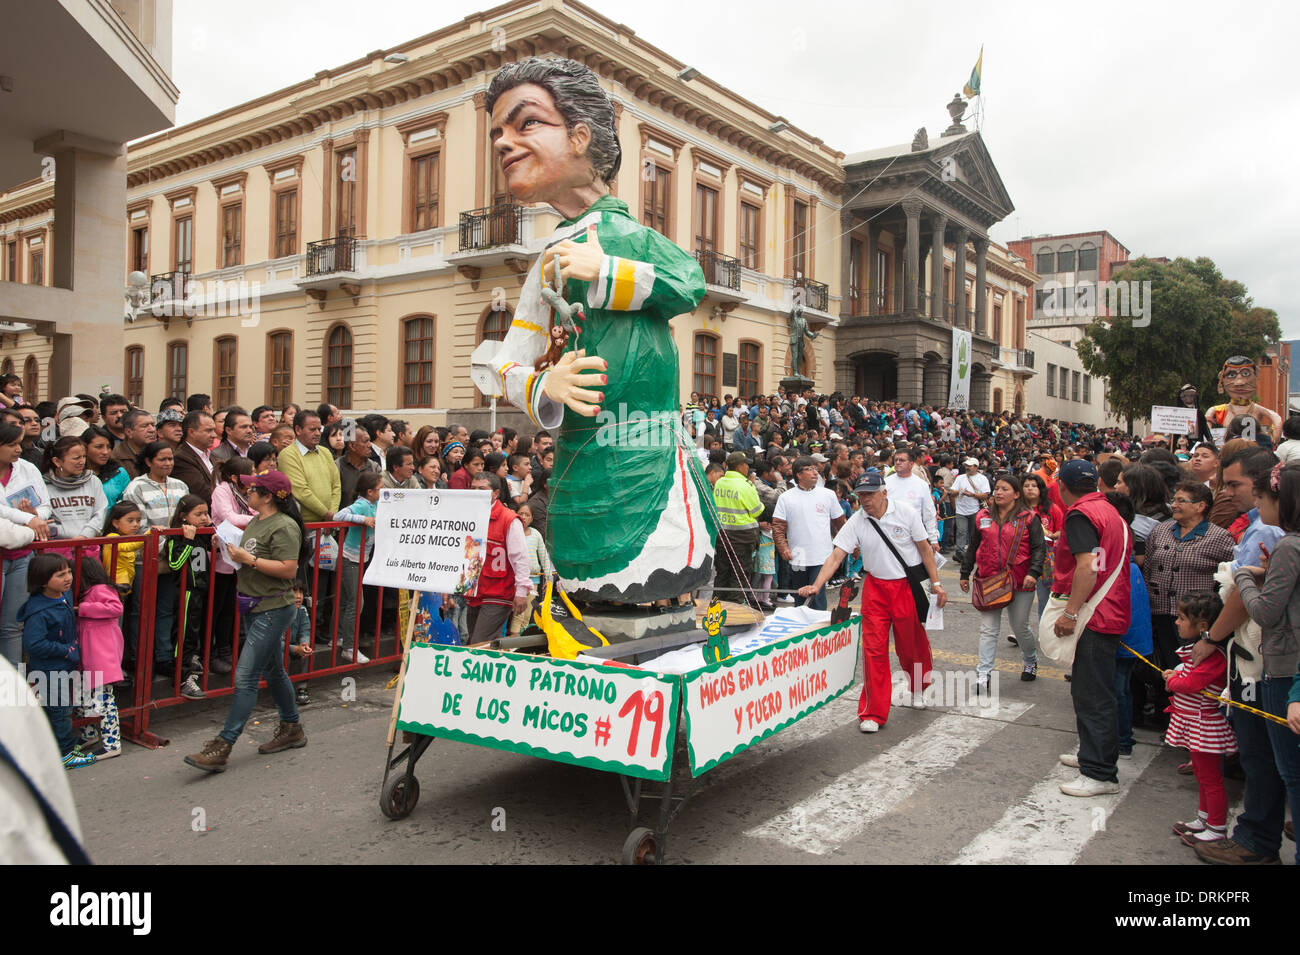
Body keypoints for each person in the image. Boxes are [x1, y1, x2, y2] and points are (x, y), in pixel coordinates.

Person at [473, 57, 714, 605]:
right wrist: (543, 387)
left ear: (580, 136)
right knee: (596, 613)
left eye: (524, 123)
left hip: (650, 466)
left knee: (660, 611)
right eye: (497, 133)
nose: (503, 144)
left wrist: (606, 271)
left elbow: (687, 282)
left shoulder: (629, 235)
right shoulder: (547, 259)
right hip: (583, 473)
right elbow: (500, 361)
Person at [1195, 462, 1300, 865]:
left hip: (1276, 664)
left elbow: (1267, 611)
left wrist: (1242, 579)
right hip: (1275, 663)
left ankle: (1257, 840)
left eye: (1261, 495)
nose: (1254, 501)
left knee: (1273, 760)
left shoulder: (1286, 543)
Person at [798, 469, 946, 731]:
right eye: (861, 495)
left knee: (911, 645)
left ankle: (919, 687)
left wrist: (936, 584)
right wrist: (816, 585)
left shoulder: (906, 513)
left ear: (884, 493)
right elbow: (836, 556)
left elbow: (925, 550)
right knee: (873, 650)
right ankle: (873, 713)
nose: (865, 500)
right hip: (875, 589)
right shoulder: (857, 521)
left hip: (906, 588)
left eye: (870, 494)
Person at [185, 470, 311, 773]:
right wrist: (230, 548)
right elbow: (249, 554)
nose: (247, 490)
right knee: (274, 670)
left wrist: (248, 558)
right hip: (253, 605)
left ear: (267, 496)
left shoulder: (284, 526)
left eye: (253, 488)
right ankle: (292, 728)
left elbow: (288, 569)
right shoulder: (256, 520)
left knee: (245, 676)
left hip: (273, 608)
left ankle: (223, 744)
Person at [1050, 459, 1133, 797]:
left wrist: (1069, 613)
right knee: (1093, 690)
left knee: (1093, 694)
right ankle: (1091, 754)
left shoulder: (1081, 514)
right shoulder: (1107, 509)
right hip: (1109, 609)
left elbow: (1088, 567)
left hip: (1096, 614)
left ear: (1062, 487)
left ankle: (1099, 773)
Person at [1139, 481, 1235, 726]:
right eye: (1175, 499)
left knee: (1195, 669)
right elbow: (1149, 566)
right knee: (1170, 665)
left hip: (1197, 619)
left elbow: (1227, 579)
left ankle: (1198, 724)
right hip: (1161, 610)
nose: (1175, 504)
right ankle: (1173, 719)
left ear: (1201, 506)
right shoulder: (1161, 530)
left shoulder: (1219, 537)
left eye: (1182, 500)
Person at [1163, 591, 1236, 846]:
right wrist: (1176, 675)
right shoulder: (1199, 651)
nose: (1177, 622)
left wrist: (1173, 680)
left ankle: (1216, 827)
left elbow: (1193, 683)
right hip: (1194, 723)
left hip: (1204, 724)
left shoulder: (1213, 656)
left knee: (1211, 779)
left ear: (1202, 626)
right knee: (1204, 778)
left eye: (1182, 618)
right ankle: (1204, 818)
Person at [959, 473, 1045, 687]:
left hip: (1020, 581)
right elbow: (974, 546)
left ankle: (1030, 659)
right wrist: (965, 573)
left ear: (1016, 494)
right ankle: (983, 673)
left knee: (1019, 626)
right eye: (996, 488)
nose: (998, 492)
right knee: (988, 629)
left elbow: (1038, 549)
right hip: (990, 580)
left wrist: (1033, 573)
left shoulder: (1028, 518)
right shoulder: (982, 516)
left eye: (1004, 489)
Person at [18, 553, 94, 768]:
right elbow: (33, 644)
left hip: (62, 666)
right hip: (49, 670)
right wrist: (66, 649)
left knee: (56, 710)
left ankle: (52, 750)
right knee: (59, 713)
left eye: (68, 572)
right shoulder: (39, 612)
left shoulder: (63, 596)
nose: (68, 577)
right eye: (60, 575)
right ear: (43, 581)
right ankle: (65, 754)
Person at [0, 422, 53, 665]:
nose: (18, 449)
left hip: (21, 555)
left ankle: (12, 690)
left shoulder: (27, 468)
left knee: (13, 626)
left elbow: (44, 506)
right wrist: (28, 519)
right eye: (11, 445)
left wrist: (35, 516)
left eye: (19, 444)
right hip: (7, 546)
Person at [464, 472, 532, 644]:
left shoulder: (509, 520)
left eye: (482, 489)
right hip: (474, 590)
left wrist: (521, 592)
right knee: (482, 641)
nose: (476, 492)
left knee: (478, 643)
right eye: (473, 488)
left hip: (498, 592)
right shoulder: (467, 515)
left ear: (495, 493)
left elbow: (521, 558)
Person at [772, 455, 844, 610]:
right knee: (801, 597)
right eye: (809, 469)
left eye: (816, 469)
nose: (815, 473)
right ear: (798, 474)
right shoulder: (786, 497)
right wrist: (783, 547)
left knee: (816, 596)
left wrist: (850, 547)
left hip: (822, 556)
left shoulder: (828, 495)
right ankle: (804, 628)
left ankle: (820, 630)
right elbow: (778, 526)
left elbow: (840, 522)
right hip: (798, 556)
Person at [162, 495, 214, 699]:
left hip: (201, 590)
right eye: (198, 514)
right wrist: (189, 541)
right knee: (183, 635)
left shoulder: (202, 533)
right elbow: (175, 564)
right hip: (186, 591)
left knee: (194, 632)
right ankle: (182, 677)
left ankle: (190, 664)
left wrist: (213, 533)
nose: (204, 518)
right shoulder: (178, 536)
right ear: (183, 517)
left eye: (206, 513)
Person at [74, 558, 124, 760]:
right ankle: (89, 734)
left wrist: (84, 608)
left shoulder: (99, 589)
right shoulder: (87, 593)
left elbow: (116, 608)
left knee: (103, 700)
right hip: (89, 655)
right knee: (81, 697)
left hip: (102, 655)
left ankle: (112, 743)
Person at [208, 457, 255, 674]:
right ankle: (210, 653)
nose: (253, 477)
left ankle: (225, 649)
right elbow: (229, 517)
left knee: (230, 608)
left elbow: (255, 511)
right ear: (235, 477)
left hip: (238, 557)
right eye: (250, 473)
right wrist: (258, 520)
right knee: (215, 609)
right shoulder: (222, 490)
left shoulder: (247, 494)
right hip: (220, 557)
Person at [332, 470, 382, 664]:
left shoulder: (376, 503)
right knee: (355, 602)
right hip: (349, 558)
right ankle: (349, 647)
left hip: (362, 557)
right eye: (379, 489)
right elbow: (338, 516)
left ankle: (338, 637)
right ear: (369, 491)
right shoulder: (361, 504)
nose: (382, 491)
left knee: (345, 600)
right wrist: (364, 520)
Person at [712, 451, 764, 608]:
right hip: (742, 538)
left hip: (722, 536)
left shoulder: (720, 482)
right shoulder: (745, 485)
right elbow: (757, 511)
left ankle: (715, 610)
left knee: (722, 574)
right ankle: (733, 611)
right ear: (740, 466)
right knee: (739, 575)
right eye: (746, 464)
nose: (748, 467)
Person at [43, 435, 108, 547]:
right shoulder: (43, 484)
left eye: (84, 457)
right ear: (57, 461)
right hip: (58, 549)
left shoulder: (92, 481)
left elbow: (100, 512)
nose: (82, 461)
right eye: (76, 458)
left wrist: (85, 536)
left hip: (88, 545)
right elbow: (45, 520)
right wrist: (70, 538)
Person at [509, 503, 554, 637]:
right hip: (516, 581)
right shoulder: (512, 533)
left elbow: (544, 556)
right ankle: (512, 643)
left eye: (527, 515)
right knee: (518, 614)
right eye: (521, 514)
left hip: (533, 580)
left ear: (532, 518)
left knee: (527, 614)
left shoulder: (536, 534)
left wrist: (548, 577)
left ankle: (519, 643)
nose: (523, 517)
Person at [1023, 472, 1062, 618]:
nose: (1030, 489)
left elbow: (1061, 530)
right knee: (1021, 601)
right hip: (1022, 558)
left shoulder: (1052, 509)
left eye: (1034, 486)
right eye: (1026, 486)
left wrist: (1052, 535)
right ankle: (1023, 631)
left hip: (1046, 560)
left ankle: (1042, 632)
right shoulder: (1017, 510)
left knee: (1044, 600)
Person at [885, 446, 939, 550]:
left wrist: (933, 539)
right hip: (890, 535)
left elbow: (929, 513)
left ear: (911, 463)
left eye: (902, 460)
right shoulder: (886, 483)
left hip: (913, 537)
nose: (898, 462)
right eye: (896, 460)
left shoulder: (921, 484)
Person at [169, 411, 217, 507]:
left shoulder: (212, 456)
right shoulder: (181, 458)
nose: (214, 435)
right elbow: (202, 493)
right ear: (191, 432)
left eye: (214, 430)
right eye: (208, 431)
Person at [950, 457, 990, 560]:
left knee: (974, 532)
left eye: (970, 466)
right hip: (960, 510)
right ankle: (960, 552)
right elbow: (952, 492)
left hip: (975, 510)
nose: (967, 468)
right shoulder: (960, 478)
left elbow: (985, 495)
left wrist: (972, 495)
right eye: (966, 466)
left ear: (976, 467)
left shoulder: (982, 479)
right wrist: (960, 491)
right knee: (961, 531)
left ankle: (973, 552)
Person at [84, 426, 129, 510]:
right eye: (99, 447)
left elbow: (126, 507)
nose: (105, 452)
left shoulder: (119, 473)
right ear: (85, 448)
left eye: (108, 447)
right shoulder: (75, 474)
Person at [110, 409, 155, 480]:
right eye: (144, 426)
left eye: (153, 425)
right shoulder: (116, 458)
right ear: (129, 432)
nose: (152, 430)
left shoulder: (159, 452)